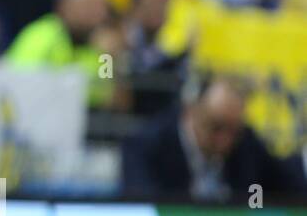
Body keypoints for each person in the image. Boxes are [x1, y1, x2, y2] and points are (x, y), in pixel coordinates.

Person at [122, 74, 307, 202]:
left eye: (233, 132)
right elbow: (143, 209)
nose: (224, 141)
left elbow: (289, 180)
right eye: (215, 128)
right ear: (191, 111)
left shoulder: (246, 143)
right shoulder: (147, 146)